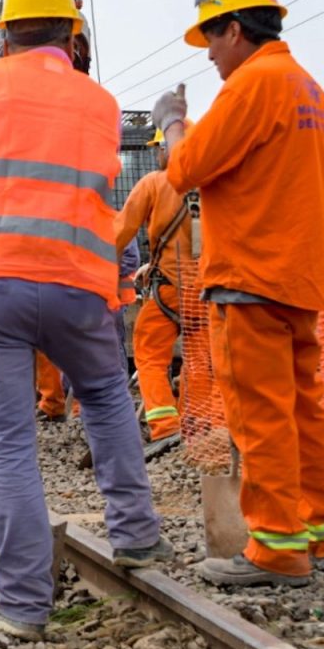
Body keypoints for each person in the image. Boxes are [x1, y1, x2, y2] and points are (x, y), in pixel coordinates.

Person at [0, 0, 169, 640]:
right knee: (109, 396)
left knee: (5, 445)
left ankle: (24, 604)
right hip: (78, 277)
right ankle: (137, 534)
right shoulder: (101, 102)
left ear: (4, 31)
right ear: (73, 33)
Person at [152, 0, 324, 588]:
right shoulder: (308, 89)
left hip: (250, 274)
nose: (210, 55)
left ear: (235, 30)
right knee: (303, 408)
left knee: (260, 413)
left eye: (211, 39)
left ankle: (276, 548)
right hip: (299, 275)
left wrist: (172, 123)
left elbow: (185, 168)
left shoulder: (253, 85)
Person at [115, 132, 190, 452]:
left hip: (171, 288)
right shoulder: (215, 180)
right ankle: (198, 423)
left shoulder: (155, 182)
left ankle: (164, 426)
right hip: (213, 288)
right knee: (202, 360)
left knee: (148, 354)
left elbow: (119, 234)